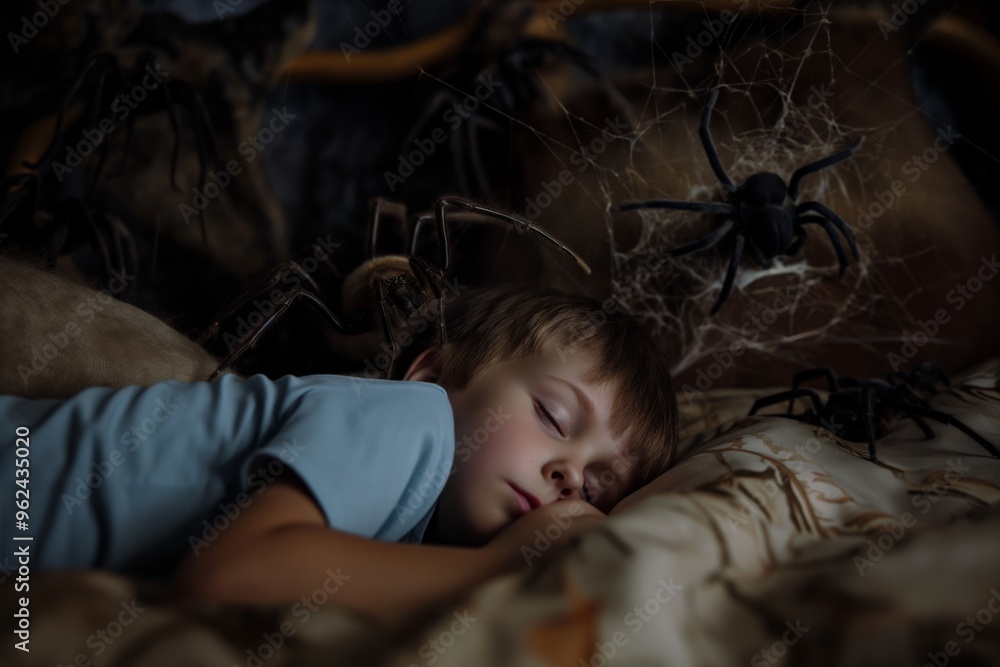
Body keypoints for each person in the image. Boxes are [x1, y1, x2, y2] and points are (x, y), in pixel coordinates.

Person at [0, 284, 678, 624]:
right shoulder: (414, 421)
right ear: (433, 373)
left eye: (596, 488)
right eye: (554, 415)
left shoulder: (410, 524)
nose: (570, 476)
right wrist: (502, 567)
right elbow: (231, 575)